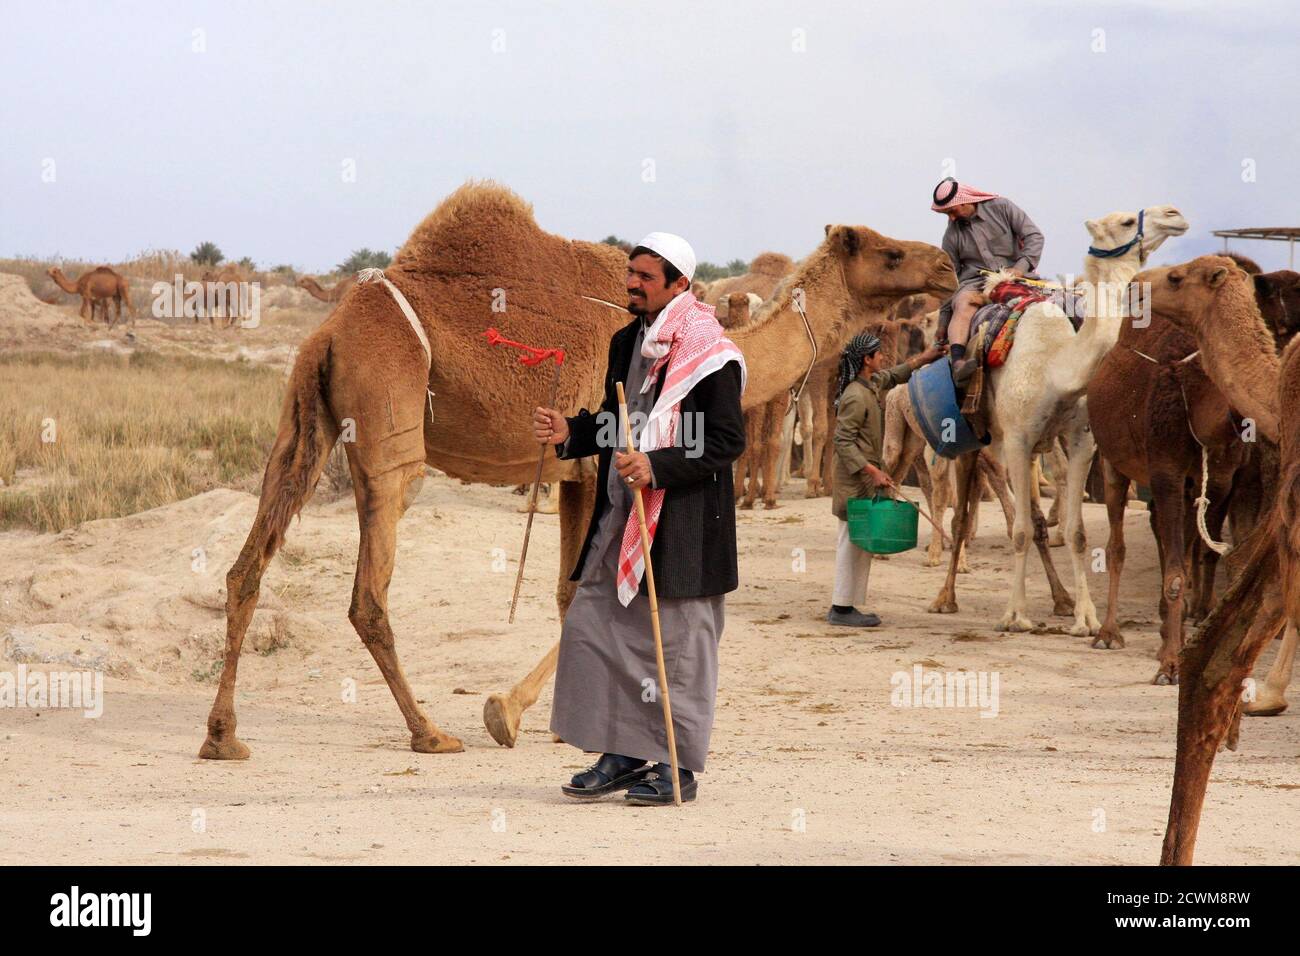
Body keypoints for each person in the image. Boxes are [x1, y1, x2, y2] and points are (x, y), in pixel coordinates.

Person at [532, 231, 746, 805]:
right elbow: (617, 421)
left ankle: (677, 766)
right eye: (631, 274)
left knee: (677, 647)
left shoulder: (711, 354)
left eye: (646, 277)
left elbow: (725, 441)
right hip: (620, 514)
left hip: (684, 524)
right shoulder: (627, 339)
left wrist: (657, 465)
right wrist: (573, 432)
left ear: (681, 285)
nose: (632, 284)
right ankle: (624, 751)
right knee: (596, 628)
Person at [828, 332, 945, 627]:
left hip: (863, 479)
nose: (883, 358)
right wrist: (873, 471)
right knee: (849, 542)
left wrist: (925, 358)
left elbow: (893, 376)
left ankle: (849, 604)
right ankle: (840, 608)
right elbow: (842, 441)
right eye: (878, 354)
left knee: (860, 541)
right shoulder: (855, 396)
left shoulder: (870, 385)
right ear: (867, 360)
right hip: (854, 480)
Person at [931, 178, 1043, 383]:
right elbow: (950, 279)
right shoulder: (951, 235)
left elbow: (1034, 236)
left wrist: (1020, 268)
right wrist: (942, 323)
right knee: (963, 302)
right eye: (947, 214)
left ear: (965, 201)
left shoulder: (1003, 207)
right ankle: (958, 363)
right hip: (976, 283)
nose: (952, 218)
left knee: (1057, 304)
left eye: (952, 211)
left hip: (1015, 276)